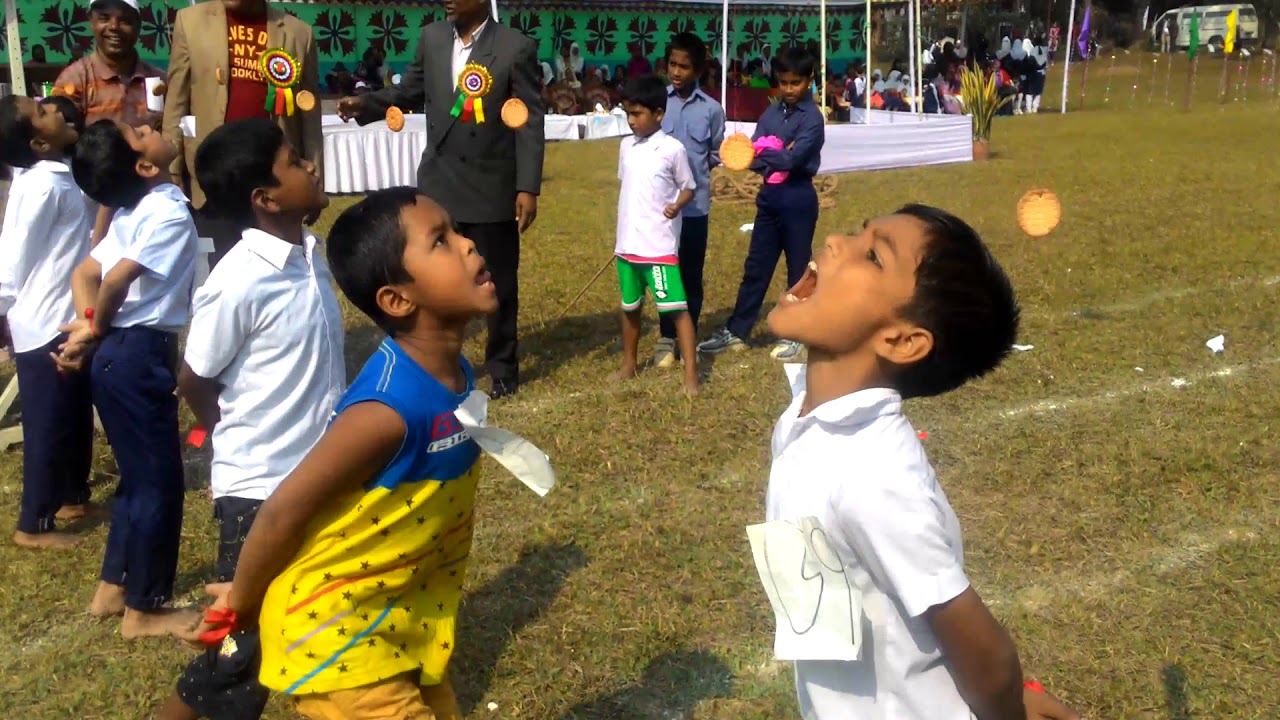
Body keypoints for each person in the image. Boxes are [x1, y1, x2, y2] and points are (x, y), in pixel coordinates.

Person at [187, 187, 498, 719]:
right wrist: (242, 598)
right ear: (397, 299)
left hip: (395, 627)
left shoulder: (456, 375)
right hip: (336, 635)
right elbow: (286, 508)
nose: (469, 245)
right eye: (442, 241)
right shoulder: (385, 411)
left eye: (458, 232)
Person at [760, 205, 1081, 720]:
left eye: (872, 255)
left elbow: (988, 656)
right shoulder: (803, 423)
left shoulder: (873, 476)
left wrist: (1006, 706)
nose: (837, 242)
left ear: (901, 340)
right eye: (858, 231)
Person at [155, 118, 344, 720]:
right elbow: (195, 377)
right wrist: (231, 438)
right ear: (265, 198)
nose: (310, 165)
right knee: (238, 653)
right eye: (294, 162)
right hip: (259, 491)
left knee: (310, 618)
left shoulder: (310, 256)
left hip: (314, 478)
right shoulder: (237, 280)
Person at [337, 0, 545, 400]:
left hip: (491, 183)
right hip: (439, 183)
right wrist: (367, 105)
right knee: (432, 279)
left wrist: (527, 186)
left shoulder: (515, 46)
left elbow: (529, 118)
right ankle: (438, 360)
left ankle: (502, 366)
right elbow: (409, 90)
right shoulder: (431, 38)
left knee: (496, 280)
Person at [58, 119, 200, 638]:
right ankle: (146, 608)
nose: (149, 124)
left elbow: (85, 275)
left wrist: (86, 327)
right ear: (144, 166)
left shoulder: (131, 210)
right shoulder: (166, 212)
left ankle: (113, 587)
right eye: (140, 132)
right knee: (160, 484)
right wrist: (93, 328)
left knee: (138, 480)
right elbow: (112, 280)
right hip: (137, 353)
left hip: (118, 355)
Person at [0, 96, 94, 550]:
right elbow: (14, 256)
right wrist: (4, 308)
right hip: (42, 323)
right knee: (47, 422)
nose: (52, 106)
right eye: (40, 111)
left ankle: (73, 497)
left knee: (75, 412)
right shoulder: (41, 187)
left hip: (68, 318)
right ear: (39, 142)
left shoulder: (62, 175)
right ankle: (32, 523)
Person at [164, 0, 324, 263]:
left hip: (273, 178)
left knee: (276, 262)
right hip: (215, 173)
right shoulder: (189, 21)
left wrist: (315, 175)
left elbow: (309, 114)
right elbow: (176, 102)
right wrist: (172, 168)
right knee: (216, 256)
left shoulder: (299, 33)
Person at [698, 46, 824, 361]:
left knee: (798, 270)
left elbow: (792, 159)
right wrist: (771, 154)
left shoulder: (813, 119)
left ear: (809, 80)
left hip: (798, 197)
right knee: (756, 267)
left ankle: (798, 332)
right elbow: (751, 158)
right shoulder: (771, 113)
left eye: (796, 82)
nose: (790, 89)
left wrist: (766, 152)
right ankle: (737, 331)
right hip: (768, 197)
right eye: (784, 82)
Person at [615, 76, 699, 396]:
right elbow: (630, 188)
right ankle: (629, 365)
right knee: (630, 308)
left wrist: (676, 206)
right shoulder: (626, 146)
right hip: (627, 247)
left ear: (659, 114)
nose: (631, 120)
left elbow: (689, 187)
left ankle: (691, 377)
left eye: (637, 114)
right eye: (628, 114)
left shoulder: (672, 149)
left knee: (676, 309)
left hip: (657, 248)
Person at [654, 32, 724, 370]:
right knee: (666, 274)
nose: (677, 72)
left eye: (684, 66)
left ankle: (688, 334)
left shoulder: (712, 110)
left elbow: (712, 155)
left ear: (697, 69)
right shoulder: (657, 103)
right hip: (662, 210)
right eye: (672, 64)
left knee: (691, 274)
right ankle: (667, 336)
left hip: (695, 209)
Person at [54, 0, 165, 129]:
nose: (114, 27)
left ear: (138, 25)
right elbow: (59, 138)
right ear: (91, 21)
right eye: (104, 18)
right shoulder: (74, 80)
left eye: (124, 20)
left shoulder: (159, 81)